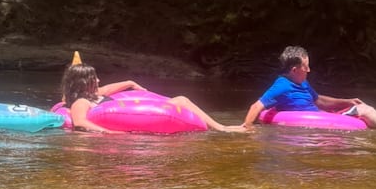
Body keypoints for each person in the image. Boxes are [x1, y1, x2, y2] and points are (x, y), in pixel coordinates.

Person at [240, 45, 376, 131]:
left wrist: (346, 101)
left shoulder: (302, 83)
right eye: (306, 67)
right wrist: (247, 128)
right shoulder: (282, 85)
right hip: (309, 119)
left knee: (359, 109)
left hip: (319, 116)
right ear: (294, 70)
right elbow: (256, 106)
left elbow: (320, 100)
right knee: (364, 110)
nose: (309, 70)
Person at [61, 61, 247, 133]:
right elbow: (80, 122)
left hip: (130, 123)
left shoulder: (94, 94)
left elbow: (111, 88)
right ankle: (222, 128)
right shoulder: (82, 101)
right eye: (95, 79)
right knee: (181, 101)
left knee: (181, 99)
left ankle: (221, 127)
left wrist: (132, 83)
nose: (100, 80)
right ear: (84, 83)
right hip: (117, 129)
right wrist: (113, 134)